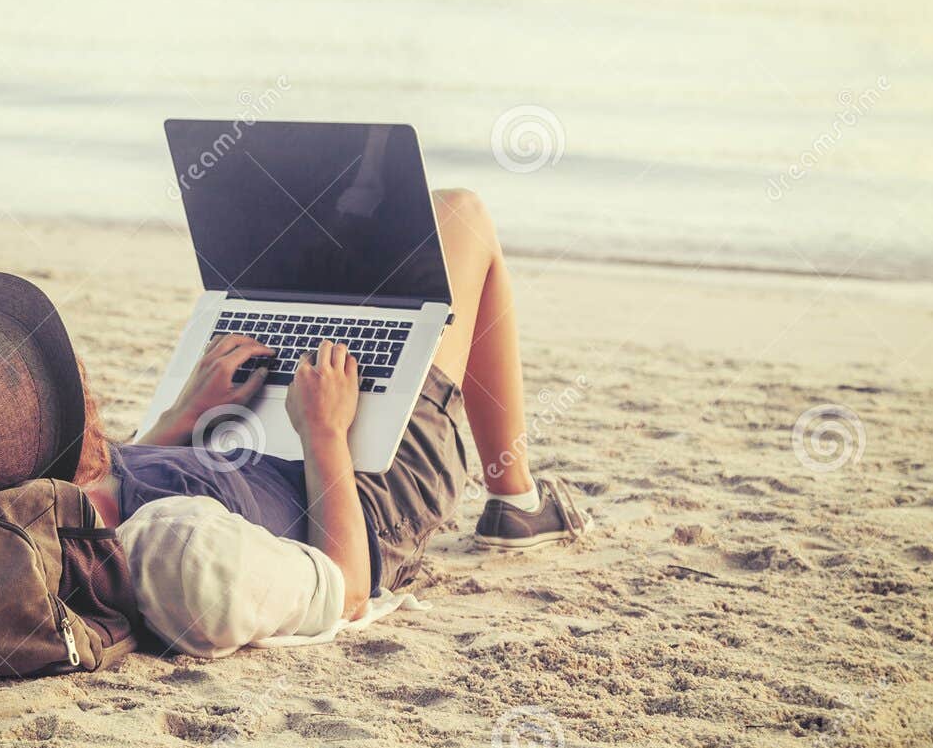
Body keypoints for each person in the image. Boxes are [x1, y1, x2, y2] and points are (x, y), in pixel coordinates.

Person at [72, 187, 588, 657]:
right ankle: (515, 499)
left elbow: (118, 477)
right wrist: (324, 433)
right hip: (361, 496)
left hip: (249, 439)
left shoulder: (57, 494)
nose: (76, 396)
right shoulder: (182, 551)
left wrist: (183, 415)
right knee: (462, 219)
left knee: (344, 244)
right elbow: (346, 590)